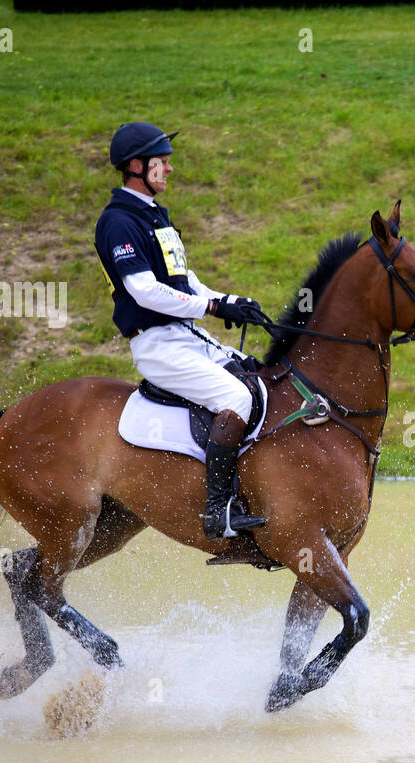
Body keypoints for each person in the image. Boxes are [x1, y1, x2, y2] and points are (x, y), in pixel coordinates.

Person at [94, 122, 268, 540]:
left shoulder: (153, 216)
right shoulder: (118, 222)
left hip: (186, 337)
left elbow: (182, 280)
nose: (169, 170)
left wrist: (228, 300)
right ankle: (217, 511)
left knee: (257, 381)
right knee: (236, 398)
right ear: (137, 166)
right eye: (163, 162)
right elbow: (144, 290)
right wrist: (209, 306)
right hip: (158, 345)